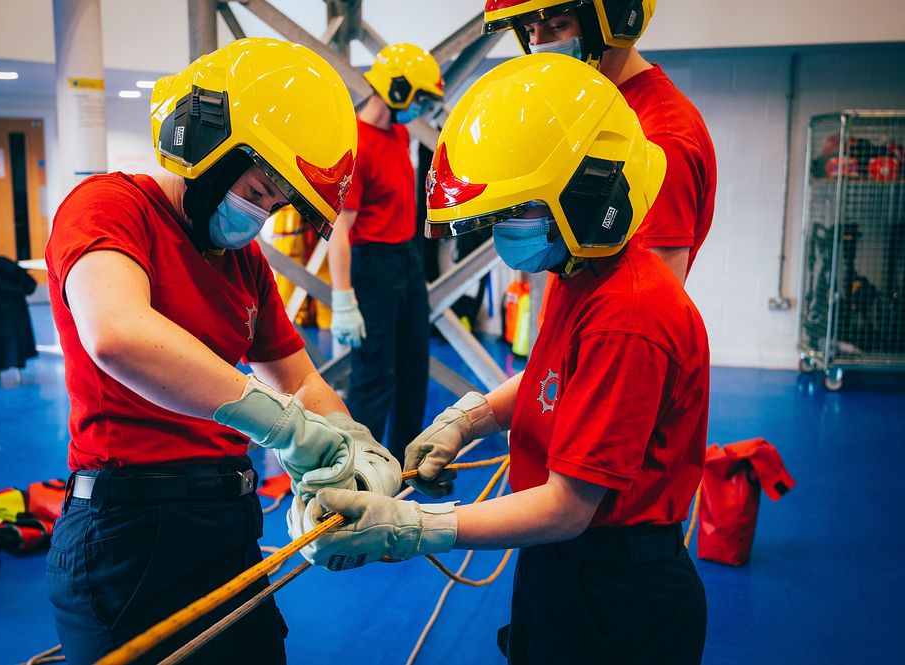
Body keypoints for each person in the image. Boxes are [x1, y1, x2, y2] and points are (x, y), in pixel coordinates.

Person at [289, 55, 709, 665]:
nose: (504, 230)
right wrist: (468, 420)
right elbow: (550, 377)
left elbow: (567, 508)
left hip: (616, 592)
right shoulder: (584, 269)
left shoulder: (629, 316)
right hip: (565, 565)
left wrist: (411, 526)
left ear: (583, 192)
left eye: (518, 209)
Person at [44, 39, 400, 665]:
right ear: (206, 145)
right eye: (259, 190)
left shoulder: (244, 261)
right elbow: (117, 334)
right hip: (127, 526)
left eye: (275, 204)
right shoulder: (109, 207)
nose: (261, 216)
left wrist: (355, 446)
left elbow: (300, 379)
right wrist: (286, 429)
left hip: (227, 518)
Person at [483, 0, 716, 285]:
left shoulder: (662, 134)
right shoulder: (592, 109)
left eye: (557, 26)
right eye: (530, 31)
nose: (539, 46)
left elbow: (653, 292)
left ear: (613, 20)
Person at [327, 43, 444, 463]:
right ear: (397, 90)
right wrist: (344, 298)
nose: (422, 109)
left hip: (407, 259)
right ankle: (362, 470)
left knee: (414, 373)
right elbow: (341, 228)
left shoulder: (399, 134)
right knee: (375, 378)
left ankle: (404, 466)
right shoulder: (357, 144)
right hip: (373, 266)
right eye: (420, 99)